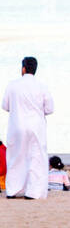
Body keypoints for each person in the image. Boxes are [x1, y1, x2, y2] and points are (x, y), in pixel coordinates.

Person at [1, 57, 54, 200]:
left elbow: (5, 106)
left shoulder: (12, 85)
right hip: (36, 127)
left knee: (15, 157)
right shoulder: (42, 86)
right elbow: (49, 109)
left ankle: (13, 190)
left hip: (17, 126)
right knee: (37, 158)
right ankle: (34, 192)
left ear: (23, 68)